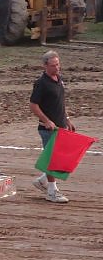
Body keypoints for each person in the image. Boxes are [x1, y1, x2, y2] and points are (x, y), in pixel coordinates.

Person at [29, 50, 75, 204]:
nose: (57, 68)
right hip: (48, 129)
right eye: (54, 65)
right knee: (52, 159)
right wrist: (46, 121)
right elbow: (33, 105)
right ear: (45, 65)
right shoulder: (41, 83)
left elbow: (60, 102)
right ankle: (52, 191)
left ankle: (43, 181)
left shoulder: (58, 79)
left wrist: (67, 118)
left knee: (62, 157)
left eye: (58, 64)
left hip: (61, 126)